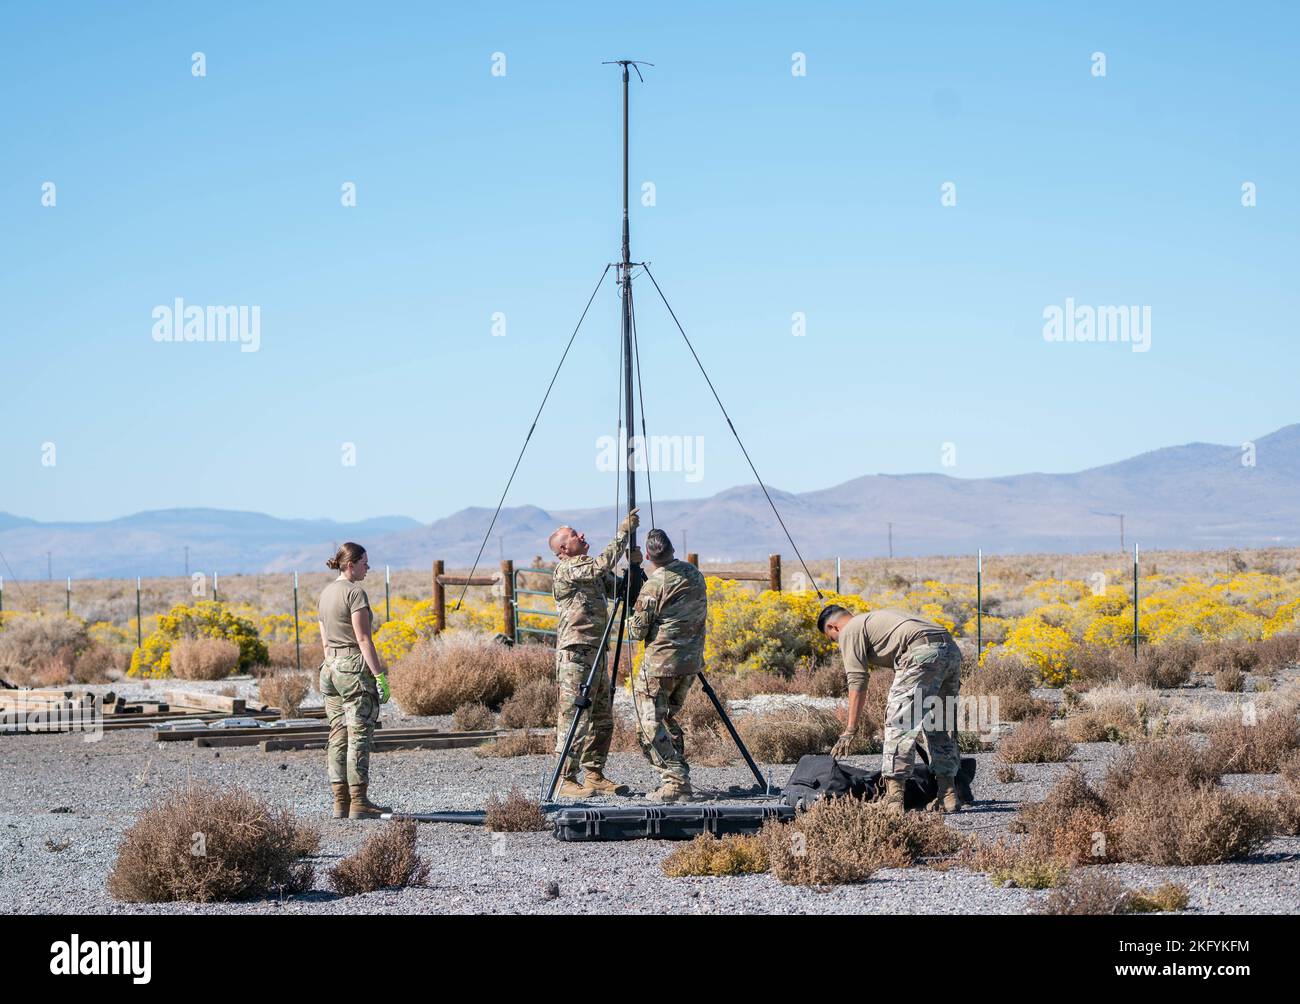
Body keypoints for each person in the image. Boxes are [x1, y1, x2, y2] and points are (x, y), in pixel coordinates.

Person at [817, 605, 963, 814]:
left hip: (920, 653)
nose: (836, 643)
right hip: (950, 650)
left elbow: (857, 681)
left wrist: (850, 729)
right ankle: (948, 795)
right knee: (938, 724)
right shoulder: (871, 621)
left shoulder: (850, 630)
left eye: (831, 638)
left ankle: (893, 801)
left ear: (833, 627)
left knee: (899, 725)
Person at [547, 508, 640, 797]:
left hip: (597, 651)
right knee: (575, 714)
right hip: (576, 652)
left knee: (601, 716)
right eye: (575, 535)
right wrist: (624, 533)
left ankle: (594, 774)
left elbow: (625, 591)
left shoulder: (591, 571)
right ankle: (566, 778)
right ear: (564, 548)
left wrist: (634, 568)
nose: (582, 536)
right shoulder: (569, 568)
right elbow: (599, 567)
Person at [627, 529, 707, 803]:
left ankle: (675, 780)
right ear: (672, 549)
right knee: (666, 717)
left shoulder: (654, 585)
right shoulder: (694, 574)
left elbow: (638, 631)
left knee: (647, 723)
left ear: (647, 555)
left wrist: (631, 612)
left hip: (661, 663)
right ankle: (679, 770)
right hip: (690, 662)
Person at [317, 542, 391, 819]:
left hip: (330, 669)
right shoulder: (355, 593)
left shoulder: (325, 594)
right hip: (352, 667)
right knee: (358, 734)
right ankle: (359, 801)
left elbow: (325, 641)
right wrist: (378, 675)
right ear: (351, 565)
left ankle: (340, 802)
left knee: (338, 734)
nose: (368, 568)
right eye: (364, 563)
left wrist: (331, 667)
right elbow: (363, 639)